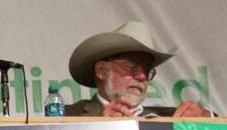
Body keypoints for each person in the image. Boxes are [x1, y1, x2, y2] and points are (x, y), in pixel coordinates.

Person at [66, 20, 211, 118]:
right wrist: (99, 127)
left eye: (147, 70)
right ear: (102, 70)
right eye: (130, 67)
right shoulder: (65, 118)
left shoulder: (169, 119)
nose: (142, 77)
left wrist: (206, 119)